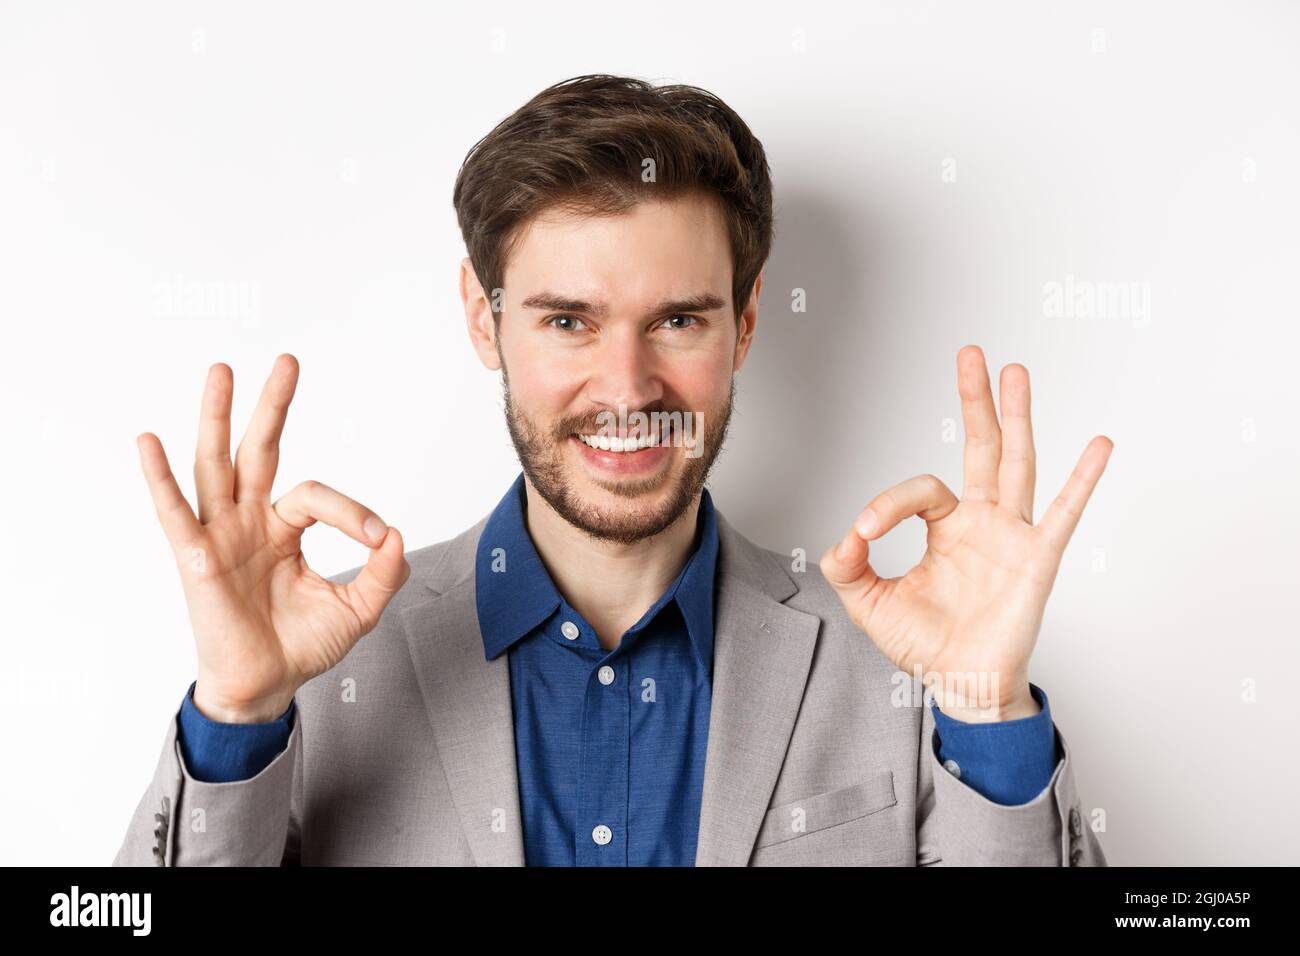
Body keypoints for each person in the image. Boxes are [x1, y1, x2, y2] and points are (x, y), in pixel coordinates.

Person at [114, 74, 1112, 866]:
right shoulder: (318, 667)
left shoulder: (896, 663)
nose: (628, 388)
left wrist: (985, 711)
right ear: (483, 318)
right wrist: (235, 718)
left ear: (746, 321)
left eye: (678, 319)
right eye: (567, 320)